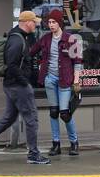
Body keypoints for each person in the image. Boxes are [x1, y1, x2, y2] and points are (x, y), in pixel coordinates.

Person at [0, 11, 49, 165]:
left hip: (12, 85)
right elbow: (12, 65)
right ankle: (33, 154)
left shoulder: (17, 37)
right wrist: (24, 82)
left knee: (8, 118)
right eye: (34, 22)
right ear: (27, 22)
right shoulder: (17, 41)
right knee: (31, 119)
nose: (36, 24)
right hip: (18, 86)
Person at [32, 9, 84, 156]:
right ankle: (56, 144)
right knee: (53, 112)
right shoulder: (45, 39)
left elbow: (78, 61)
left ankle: (74, 143)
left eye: (54, 22)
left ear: (60, 23)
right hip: (50, 79)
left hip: (65, 80)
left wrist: (76, 81)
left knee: (65, 113)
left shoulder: (71, 39)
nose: (51, 25)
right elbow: (31, 51)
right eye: (49, 22)